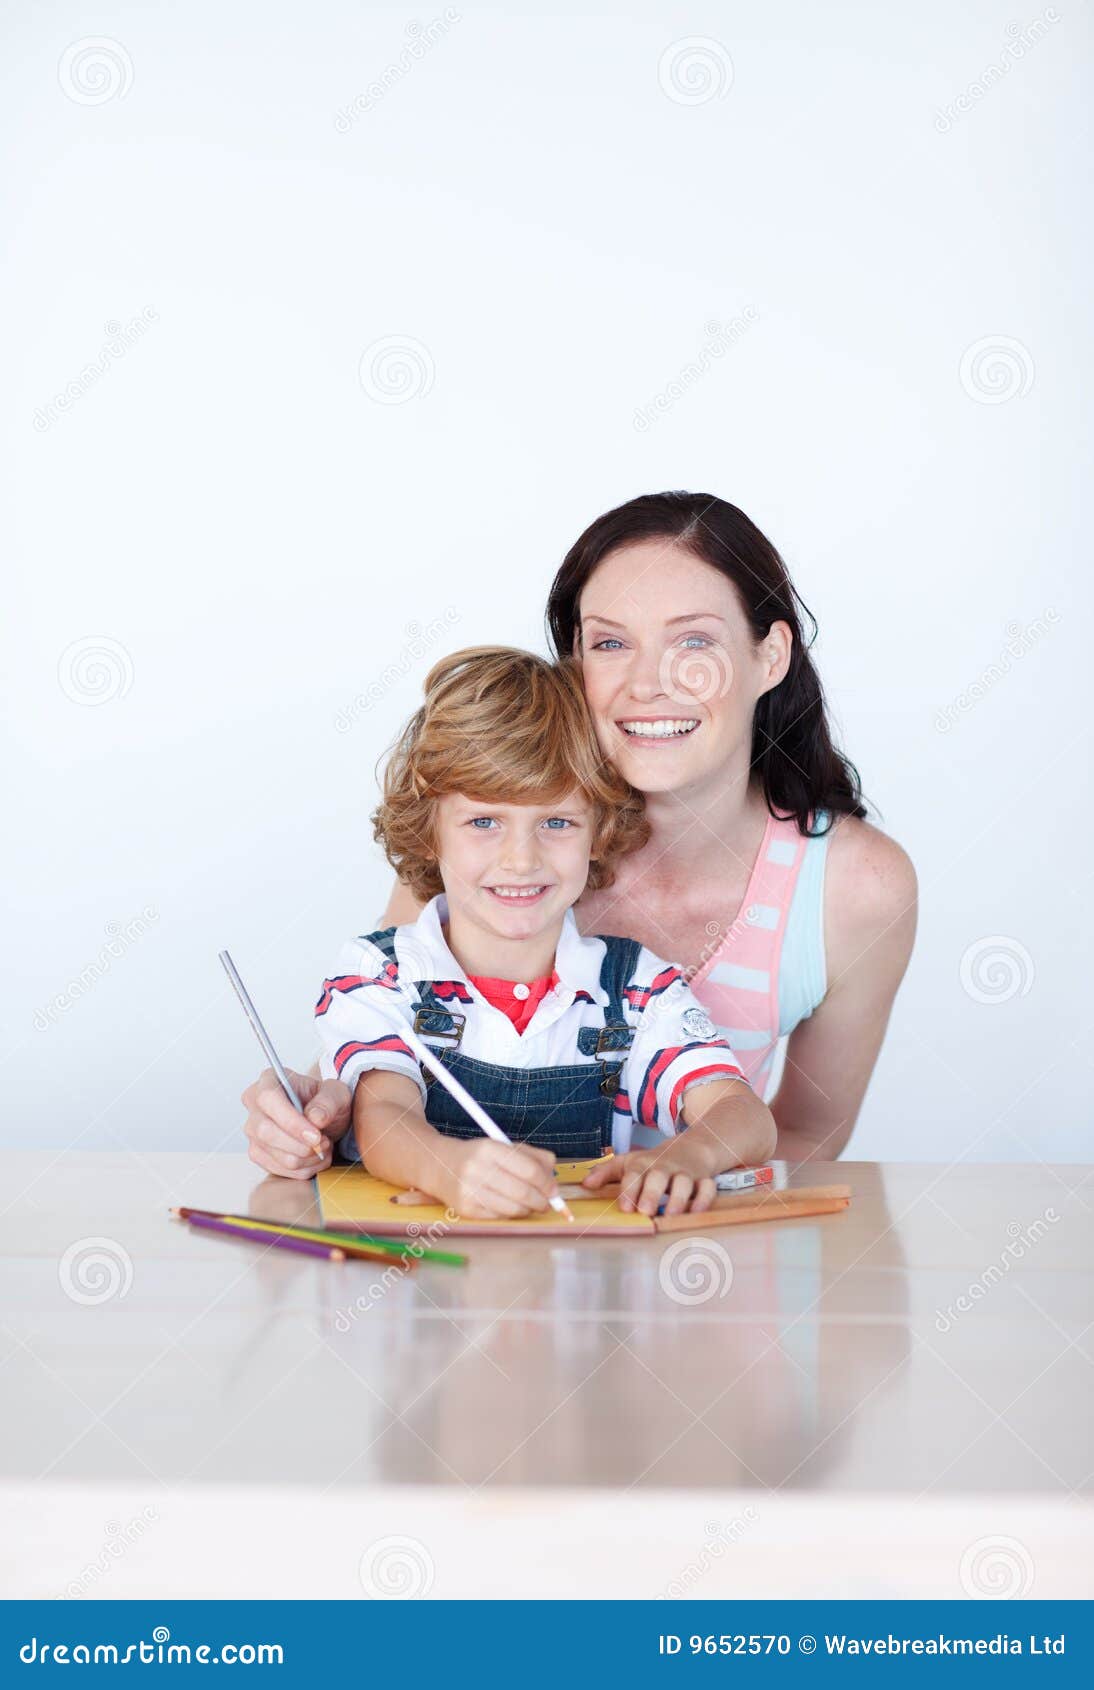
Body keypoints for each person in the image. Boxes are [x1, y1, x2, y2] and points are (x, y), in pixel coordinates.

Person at [242, 491, 917, 1177]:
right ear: (575, 663)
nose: (648, 684)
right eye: (611, 642)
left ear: (770, 656)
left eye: (693, 641)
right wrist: (307, 1121)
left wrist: (666, 1227)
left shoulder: (856, 889)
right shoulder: (487, 858)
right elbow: (377, 1074)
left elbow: (804, 1137)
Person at [313, 646, 776, 1218]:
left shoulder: (634, 990)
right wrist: (447, 1169)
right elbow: (382, 1116)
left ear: (598, 831)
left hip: (584, 1291)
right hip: (419, 1286)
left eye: (556, 822)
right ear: (430, 831)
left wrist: (692, 1153)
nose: (520, 860)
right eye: (484, 822)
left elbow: (743, 1112)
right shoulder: (380, 975)